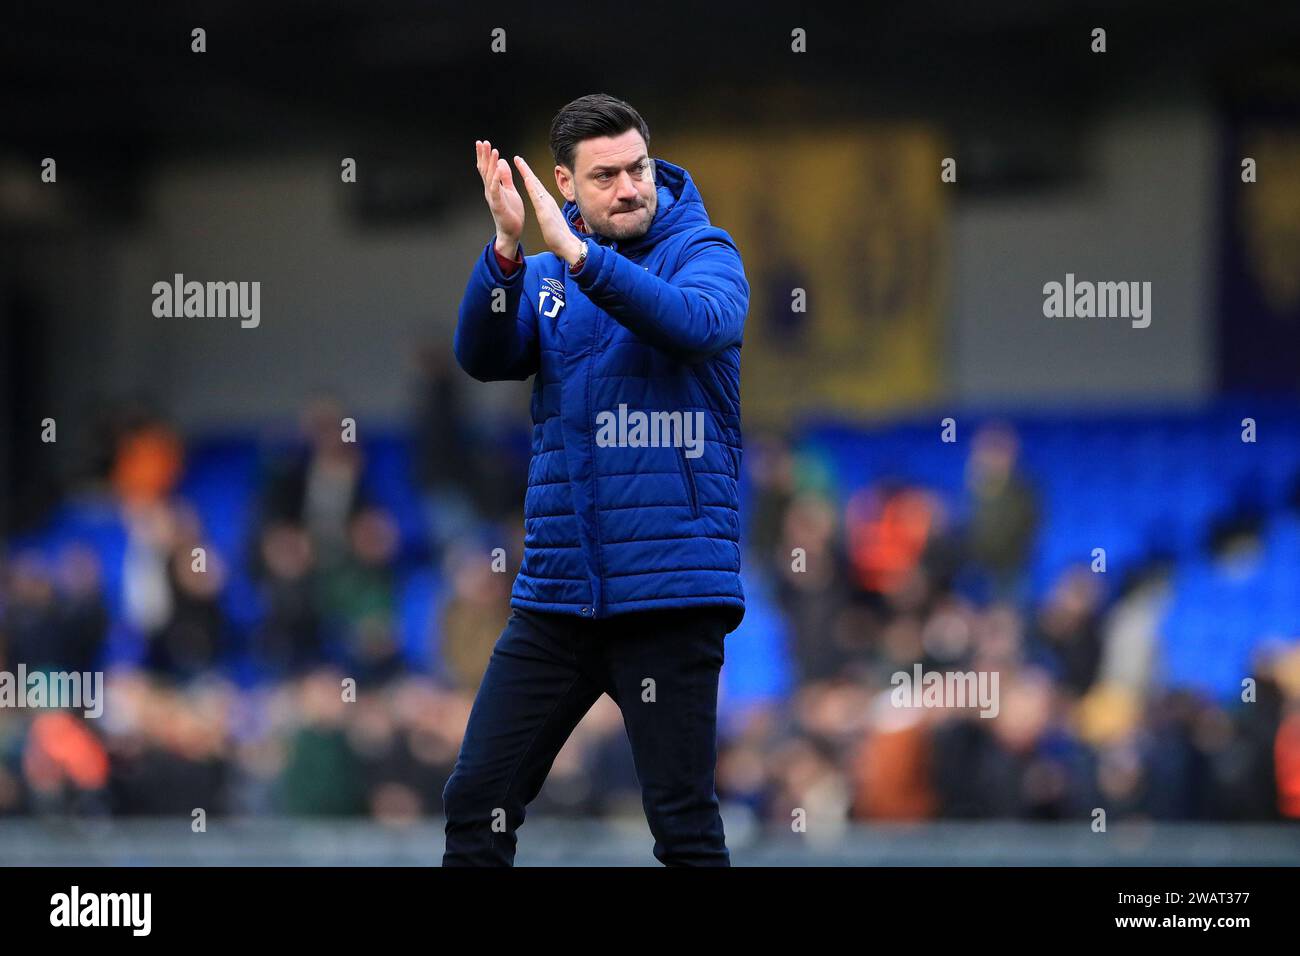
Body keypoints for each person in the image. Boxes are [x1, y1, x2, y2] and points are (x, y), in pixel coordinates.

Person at [442, 93, 749, 866]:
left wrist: (581, 260)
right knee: (478, 802)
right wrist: (507, 251)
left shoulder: (705, 251)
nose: (629, 187)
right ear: (565, 185)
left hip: (670, 593)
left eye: (638, 168)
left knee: (681, 823)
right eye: (605, 175)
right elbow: (482, 356)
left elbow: (694, 323)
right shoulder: (544, 277)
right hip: (558, 596)